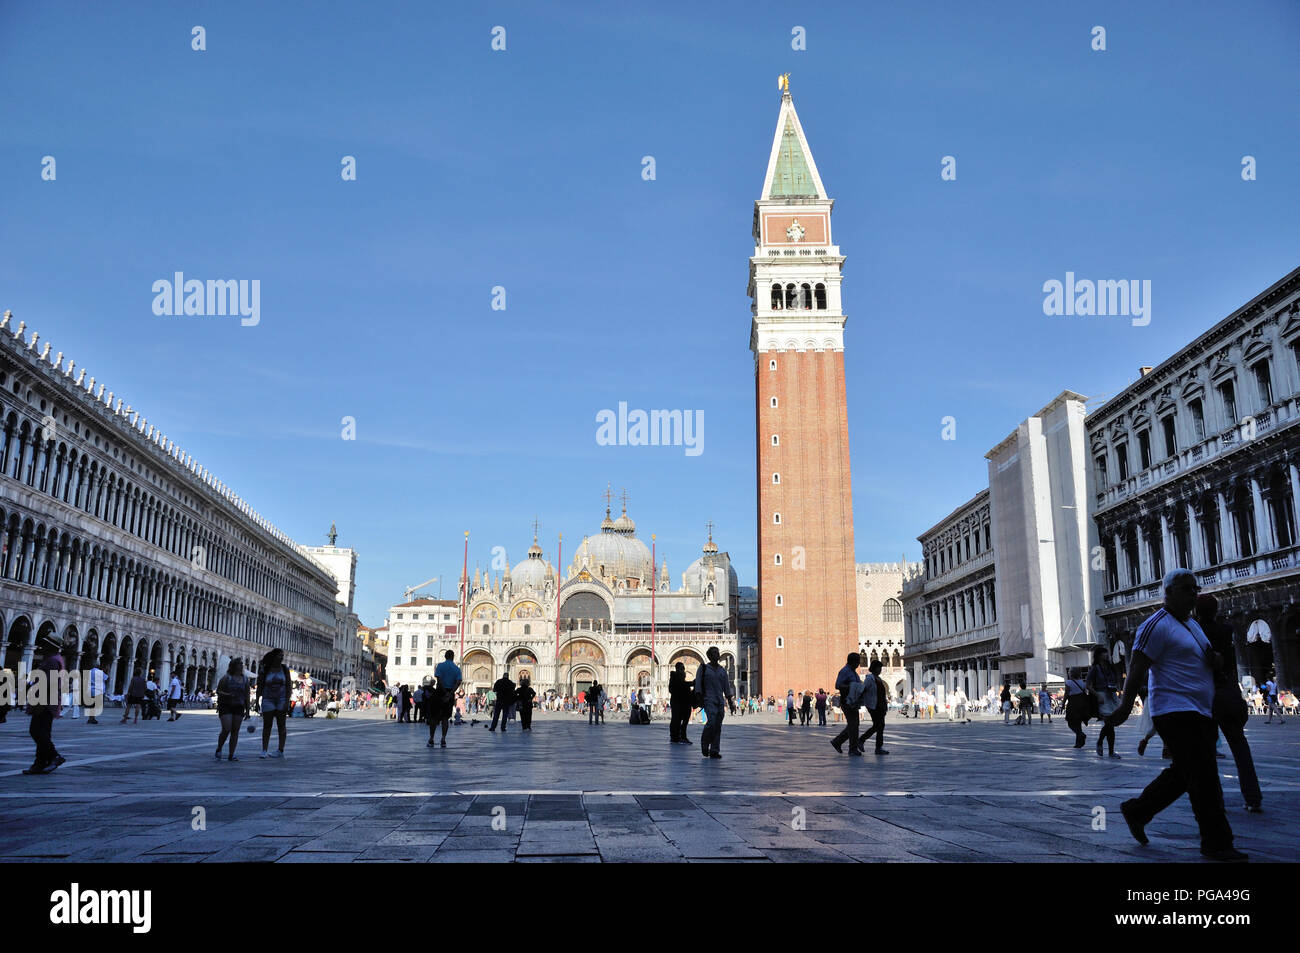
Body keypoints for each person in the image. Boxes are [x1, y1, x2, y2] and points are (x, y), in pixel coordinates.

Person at [1111, 568, 1246, 862]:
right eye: (1186, 589)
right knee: (1205, 777)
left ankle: (1137, 810)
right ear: (1168, 592)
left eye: (1194, 589)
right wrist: (1124, 707)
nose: (1192, 595)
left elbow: (1212, 659)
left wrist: (1217, 660)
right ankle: (1217, 843)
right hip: (1174, 711)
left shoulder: (1193, 625)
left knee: (1187, 773)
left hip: (1201, 709)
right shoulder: (1154, 625)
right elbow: (1137, 669)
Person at [1197, 593, 1262, 813]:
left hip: (1205, 696)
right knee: (1240, 746)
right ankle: (1253, 796)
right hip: (1227, 693)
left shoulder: (1194, 633)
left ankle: (1215, 800)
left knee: (1205, 752)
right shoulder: (1226, 631)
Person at [22, 634, 68, 775]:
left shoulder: (52, 661)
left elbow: (49, 683)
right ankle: (40, 763)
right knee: (42, 732)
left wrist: (41, 702)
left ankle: (54, 755)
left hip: (45, 701)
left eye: (45, 644)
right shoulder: (53, 660)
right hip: (47, 700)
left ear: (52, 647)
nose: (42, 647)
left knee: (37, 731)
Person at [696, 647, 736, 759]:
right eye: (714, 653)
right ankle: (704, 744)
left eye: (717, 652)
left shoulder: (722, 670)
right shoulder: (704, 668)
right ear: (709, 656)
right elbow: (698, 684)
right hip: (708, 700)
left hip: (720, 701)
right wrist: (699, 697)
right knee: (711, 723)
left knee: (718, 726)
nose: (717, 654)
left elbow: (727, 688)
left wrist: (731, 703)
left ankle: (714, 750)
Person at [257, 648, 291, 758]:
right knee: (267, 725)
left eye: (282, 655)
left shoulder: (284, 669)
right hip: (268, 699)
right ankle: (264, 750)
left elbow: (288, 686)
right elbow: (260, 685)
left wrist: (287, 701)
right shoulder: (266, 669)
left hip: (281, 699)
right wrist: (257, 700)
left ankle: (280, 750)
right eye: (280, 655)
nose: (282, 657)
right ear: (274, 656)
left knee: (281, 725)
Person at [1087, 647, 1121, 758]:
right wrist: (1097, 695)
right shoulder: (1094, 669)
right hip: (1102, 697)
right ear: (1098, 655)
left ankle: (1101, 743)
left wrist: (1118, 691)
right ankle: (1109, 750)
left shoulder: (1110, 667)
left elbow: (1115, 680)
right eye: (1103, 653)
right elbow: (1088, 686)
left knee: (1111, 724)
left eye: (1106, 652)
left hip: (1112, 695)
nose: (1106, 655)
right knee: (1109, 723)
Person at [214, 659, 251, 761]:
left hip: (239, 706)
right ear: (233, 666)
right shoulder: (226, 678)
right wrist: (228, 695)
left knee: (235, 731)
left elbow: (247, 695)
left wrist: (247, 711)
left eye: (241, 665)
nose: (241, 666)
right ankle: (219, 748)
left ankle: (231, 754)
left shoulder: (245, 679)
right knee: (226, 729)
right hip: (225, 705)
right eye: (239, 664)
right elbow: (218, 691)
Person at [830, 653, 863, 755]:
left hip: (853, 701)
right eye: (857, 661)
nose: (858, 664)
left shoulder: (853, 672)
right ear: (852, 661)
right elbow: (838, 685)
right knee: (853, 725)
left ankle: (838, 742)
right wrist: (851, 686)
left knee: (854, 724)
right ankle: (852, 749)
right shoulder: (845, 671)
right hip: (847, 701)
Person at [856, 658, 890, 755]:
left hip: (880, 706)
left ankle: (878, 747)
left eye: (880, 668)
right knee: (878, 726)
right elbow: (862, 689)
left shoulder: (878, 679)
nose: (880, 670)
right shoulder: (869, 679)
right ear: (874, 668)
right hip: (873, 706)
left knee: (880, 726)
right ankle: (862, 740)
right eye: (878, 668)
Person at [429, 651, 462, 747]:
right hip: (450, 693)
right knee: (445, 718)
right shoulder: (456, 669)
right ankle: (443, 739)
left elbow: (439, 679)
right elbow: (458, 681)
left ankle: (431, 738)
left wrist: (444, 691)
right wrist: (450, 693)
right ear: (453, 657)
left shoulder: (440, 666)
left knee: (434, 717)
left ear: (445, 656)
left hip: (440, 692)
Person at [668, 662, 694, 744]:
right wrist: (690, 684)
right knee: (676, 719)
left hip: (685, 702)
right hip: (677, 702)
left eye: (683, 668)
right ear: (677, 668)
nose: (683, 670)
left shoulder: (681, 679)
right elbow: (674, 688)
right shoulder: (674, 678)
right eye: (681, 668)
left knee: (685, 719)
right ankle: (675, 736)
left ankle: (682, 736)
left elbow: (683, 685)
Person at [1063, 674, 1090, 747]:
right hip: (1081, 704)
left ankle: (1081, 734)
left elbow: (1066, 694)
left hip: (1072, 703)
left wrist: (1063, 703)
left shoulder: (1068, 682)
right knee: (1078, 723)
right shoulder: (1082, 682)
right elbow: (1085, 693)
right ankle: (1079, 743)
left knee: (1070, 723)